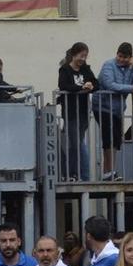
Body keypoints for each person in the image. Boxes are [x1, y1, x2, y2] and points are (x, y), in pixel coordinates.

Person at [93, 42, 133, 180]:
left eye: (125, 57)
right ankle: (107, 172)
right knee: (108, 138)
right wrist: (129, 88)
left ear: (130, 57)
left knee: (115, 140)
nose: (121, 59)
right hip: (102, 106)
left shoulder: (130, 68)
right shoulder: (108, 65)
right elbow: (109, 84)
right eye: (119, 56)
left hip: (117, 109)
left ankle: (110, 171)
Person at [57, 42, 98, 181]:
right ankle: (80, 174)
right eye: (81, 56)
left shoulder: (86, 69)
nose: (83, 59)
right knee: (77, 143)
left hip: (83, 111)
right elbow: (64, 85)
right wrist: (81, 88)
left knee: (77, 143)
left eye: (85, 56)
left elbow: (96, 83)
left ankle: (79, 174)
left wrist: (91, 85)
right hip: (71, 112)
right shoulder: (65, 70)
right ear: (74, 55)